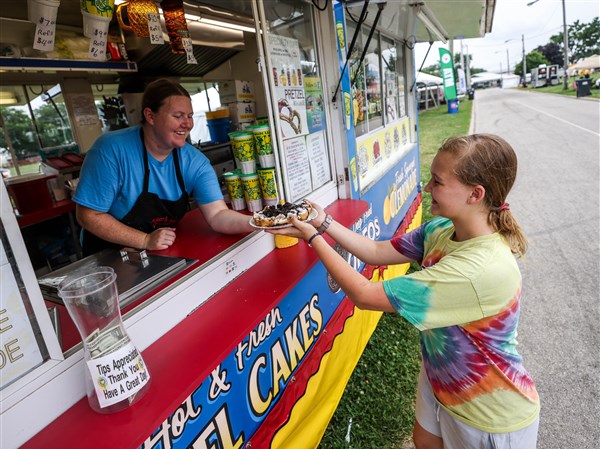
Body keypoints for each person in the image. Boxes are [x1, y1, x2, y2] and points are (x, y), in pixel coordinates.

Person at [271, 134, 540, 449]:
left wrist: (313, 237)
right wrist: (323, 221)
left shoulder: (479, 269)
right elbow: (374, 250)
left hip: (490, 414)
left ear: (475, 194)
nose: (427, 188)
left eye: (437, 182)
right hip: (442, 378)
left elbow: (365, 295)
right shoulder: (441, 230)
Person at [74, 79, 254, 256]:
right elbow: (89, 215)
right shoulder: (112, 149)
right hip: (106, 255)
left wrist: (259, 222)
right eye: (178, 116)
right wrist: (144, 240)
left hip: (158, 253)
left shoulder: (194, 162)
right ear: (150, 116)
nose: (188, 124)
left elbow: (218, 215)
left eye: (190, 116)